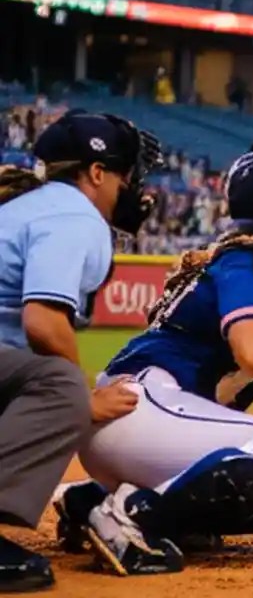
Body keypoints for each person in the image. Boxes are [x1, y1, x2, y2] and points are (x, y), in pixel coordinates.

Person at [52, 143, 253, 577]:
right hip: (140, 409)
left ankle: (88, 501)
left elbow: (228, 380)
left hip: (131, 420)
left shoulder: (238, 257)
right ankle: (131, 516)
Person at [0, 110, 162, 592]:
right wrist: (83, 402)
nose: (131, 190)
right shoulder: (75, 214)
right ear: (95, 173)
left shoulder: (30, 206)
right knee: (60, 382)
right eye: (125, 176)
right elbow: (44, 322)